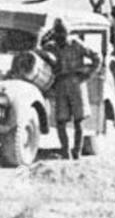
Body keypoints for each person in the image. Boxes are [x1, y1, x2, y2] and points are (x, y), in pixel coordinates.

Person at [42, 19, 100, 160]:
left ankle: (77, 152)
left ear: (68, 33)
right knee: (61, 121)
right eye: (57, 34)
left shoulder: (76, 44)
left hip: (76, 84)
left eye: (63, 34)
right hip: (60, 84)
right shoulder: (51, 47)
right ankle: (65, 151)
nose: (60, 37)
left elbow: (97, 58)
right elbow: (40, 50)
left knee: (78, 120)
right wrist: (47, 38)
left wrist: (87, 75)